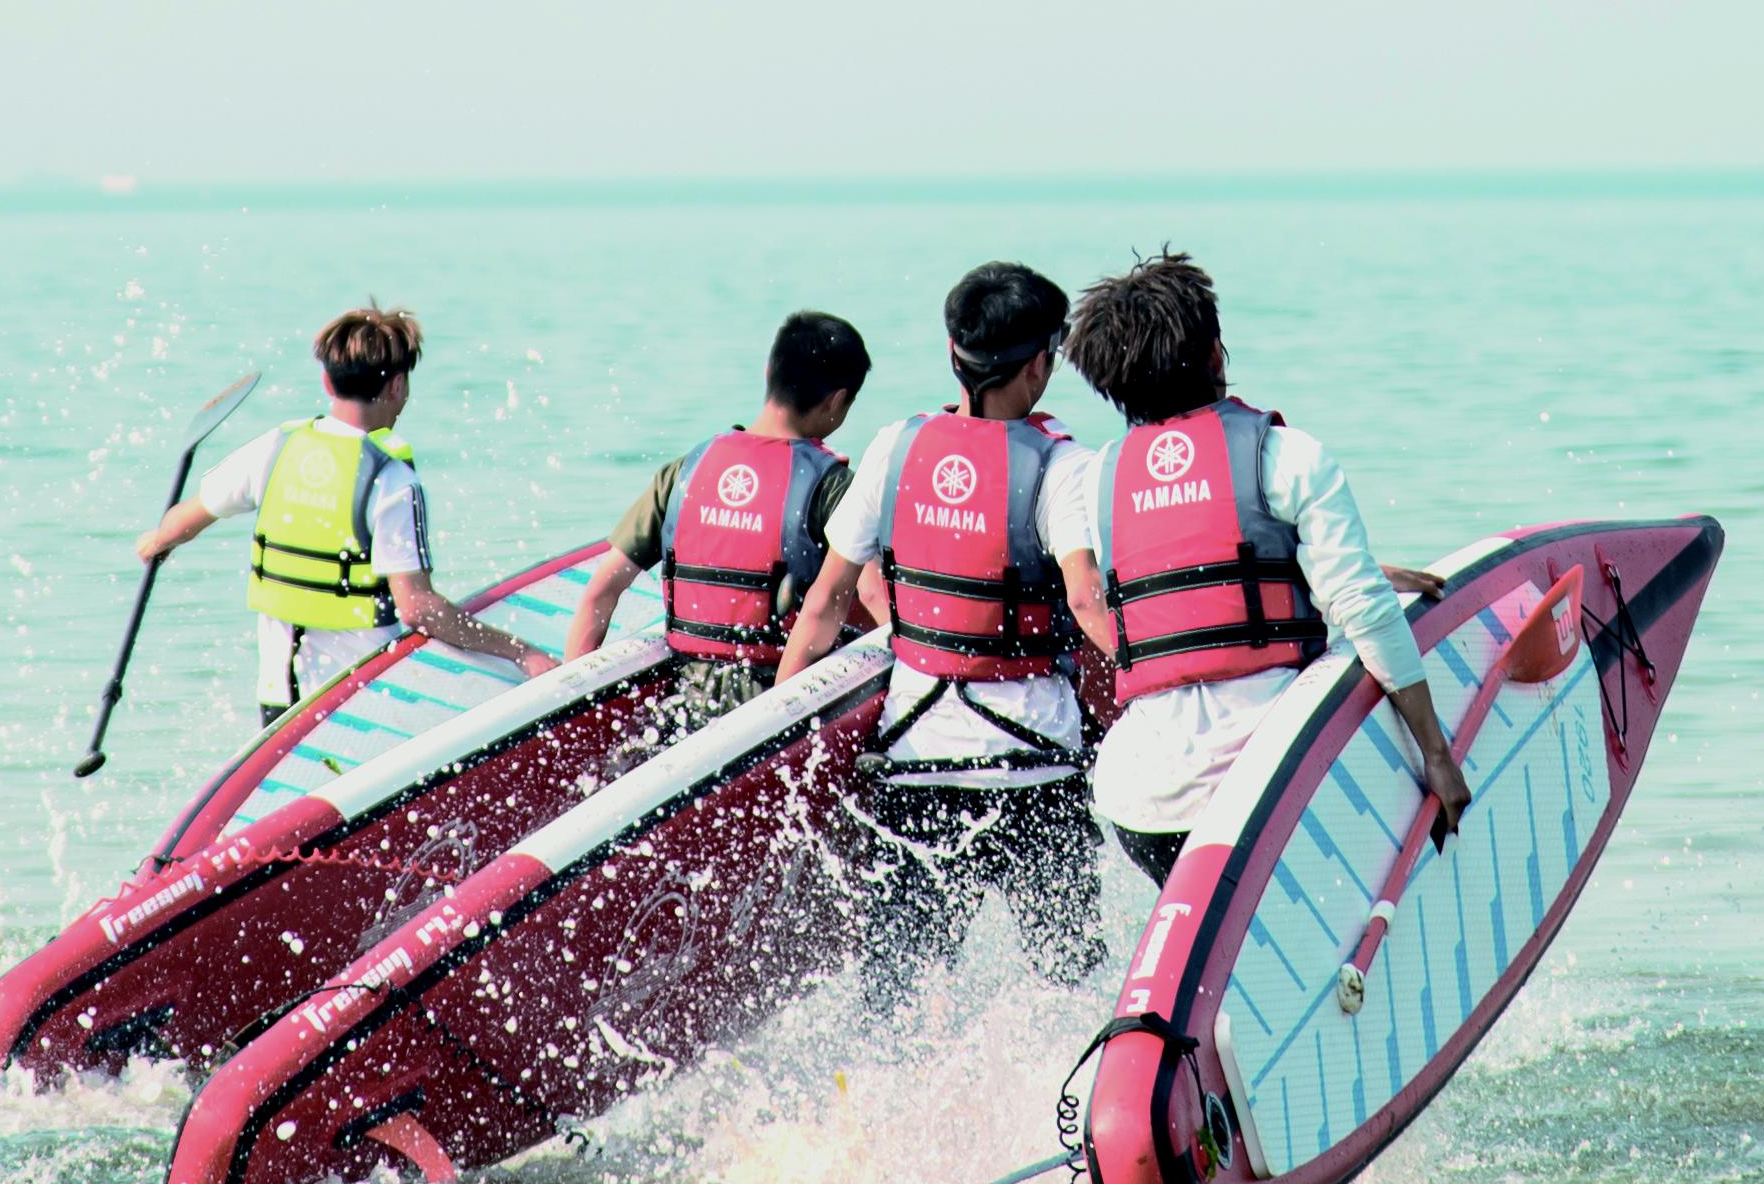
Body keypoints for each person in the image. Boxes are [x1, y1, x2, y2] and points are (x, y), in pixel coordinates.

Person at [1046, 252, 1464, 883]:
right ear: (1216, 353)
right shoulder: (1287, 456)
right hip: (1264, 790)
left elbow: (1179, 572)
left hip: (1143, 802)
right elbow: (1366, 612)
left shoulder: (1094, 476)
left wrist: (1353, 569)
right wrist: (1437, 753)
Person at [779, 264, 1115, 970]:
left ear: (953, 354)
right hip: (1035, 774)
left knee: (894, 994)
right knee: (1070, 975)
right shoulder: (1065, 467)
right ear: (1038, 368)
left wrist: (781, 736)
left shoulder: (894, 447)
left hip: (915, 768)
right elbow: (1086, 601)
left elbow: (822, 605)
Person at [132, 303, 540, 711]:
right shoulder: (392, 479)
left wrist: (158, 540)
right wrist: (520, 651)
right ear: (397, 385)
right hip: (363, 702)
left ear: (327, 382)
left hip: (282, 705)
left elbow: (184, 521)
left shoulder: (278, 446)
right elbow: (418, 609)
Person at [568, 312, 870, 709]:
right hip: (777, 691)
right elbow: (874, 596)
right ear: (836, 400)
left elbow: (599, 595)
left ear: (768, 373)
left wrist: (571, 700)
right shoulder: (832, 486)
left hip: (687, 687)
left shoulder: (686, 471)